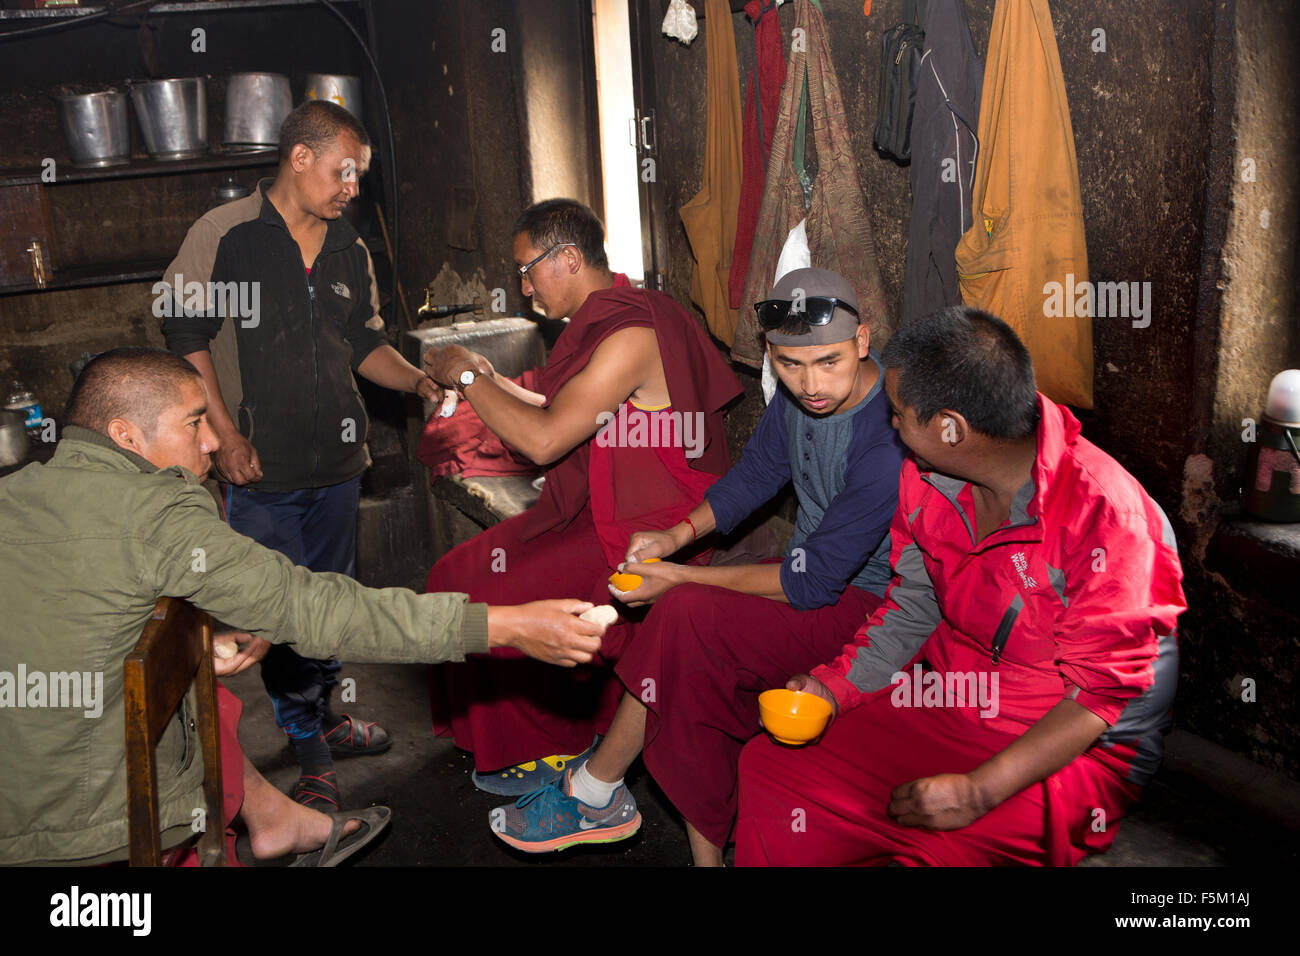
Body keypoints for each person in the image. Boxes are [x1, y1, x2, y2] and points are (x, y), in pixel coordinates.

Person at [0, 348, 608, 866]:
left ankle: (274, 821)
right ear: (125, 435)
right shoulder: (156, 511)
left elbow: (74, 611)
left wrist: (187, 640)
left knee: (203, 684)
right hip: (89, 828)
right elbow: (316, 608)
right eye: (194, 423)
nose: (213, 440)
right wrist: (505, 624)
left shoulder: (19, 491)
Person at [733, 307, 1186, 866]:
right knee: (772, 765)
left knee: (936, 851)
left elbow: (1097, 698)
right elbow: (912, 608)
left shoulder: (1105, 518)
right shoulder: (926, 478)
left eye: (897, 414)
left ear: (951, 427)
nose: (890, 425)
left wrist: (979, 791)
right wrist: (834, 688)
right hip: (951, 702)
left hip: (1064, 746)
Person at [487, 267, 907, 864]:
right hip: (809, 574)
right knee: (684, 655)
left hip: (869, 606)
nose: (810, 383)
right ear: (771, 356)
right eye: (789, 365)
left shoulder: (888, 430)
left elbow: (814, 583)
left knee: (684, 615)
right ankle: (637, 811)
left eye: (829, 362)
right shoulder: (797, 400)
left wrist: (680, 576)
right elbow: (756, 476)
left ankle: (599, 790)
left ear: (863, 342)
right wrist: (675, 536)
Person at [160, 101, 439, 809]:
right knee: (277, 610)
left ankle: (324, 715)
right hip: (261, 469)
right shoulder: (224, 236)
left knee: (331, 598)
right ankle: (308, 742)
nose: (355, 187)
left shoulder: (349, 247)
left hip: (339, 465)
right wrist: (221, 435)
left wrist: (418, 381)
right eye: (346, 172)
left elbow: (366, 342)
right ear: (301, 158)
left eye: (361, 176)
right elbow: (184, 335)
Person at [421, 199, 743, 794]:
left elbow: (544, 443)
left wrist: (466, 374)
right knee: (451, 572)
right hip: (604, 508)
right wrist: (488, 379)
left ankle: (544, 746)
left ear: (568, 258)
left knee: (479, 595)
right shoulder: (606, 311)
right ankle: (540, 732)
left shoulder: (632, 332)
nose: (522, 288)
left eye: (527, 270)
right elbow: (563, 410)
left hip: (650, 532)